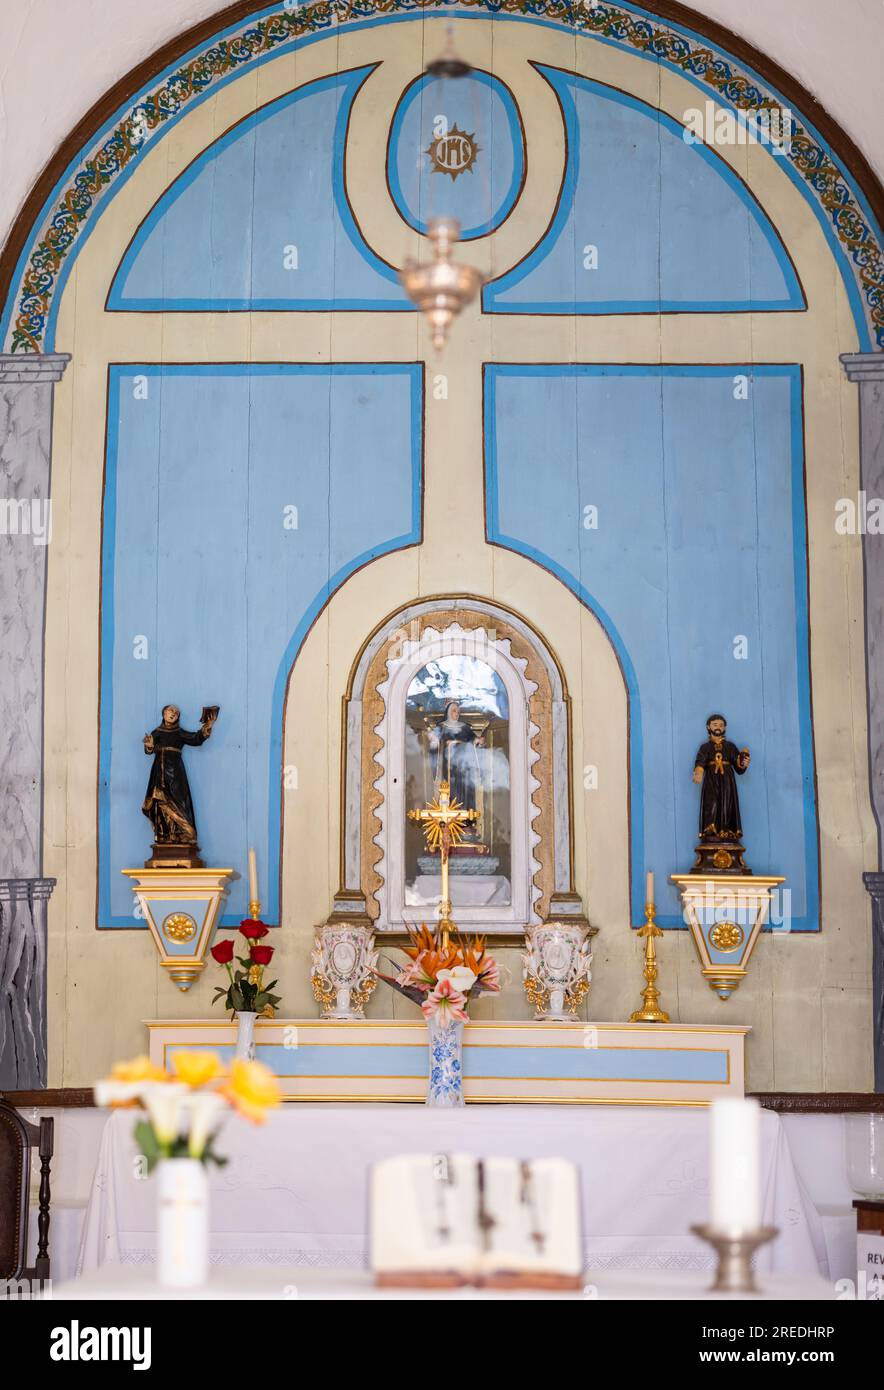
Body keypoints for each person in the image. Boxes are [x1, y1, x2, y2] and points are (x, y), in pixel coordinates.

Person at [142, 704, 214, 845]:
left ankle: (186, 833)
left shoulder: (179, 733)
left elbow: (195, 738)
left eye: (176, 712)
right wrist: (150, 745)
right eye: (170, 710)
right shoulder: (156, 732)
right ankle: (166, 835)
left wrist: (207, 726)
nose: (173, 713)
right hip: (159, 773)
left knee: (179, 802)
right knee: (161, 803)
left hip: (175, 774)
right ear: (163, 714)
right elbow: (149, 749)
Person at [692, 713, 750, 841]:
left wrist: (743, 763)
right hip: (711, 780)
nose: (718, 727)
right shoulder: (705, 747)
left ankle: (728, 830)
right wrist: (699, 772)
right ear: (708, 727)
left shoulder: (730, 747)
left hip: (727, 780)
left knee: (727, 803)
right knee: (711, 803)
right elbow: (700, 762)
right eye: (715, 725)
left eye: (721, 725)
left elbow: (738, 767)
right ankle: (710, 830)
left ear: (724, 728)